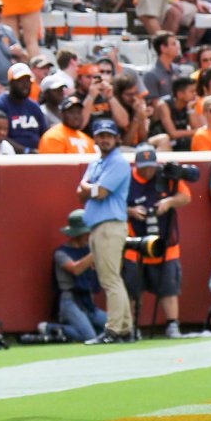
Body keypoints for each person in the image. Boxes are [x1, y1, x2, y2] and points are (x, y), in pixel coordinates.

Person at [123, 145, 190, 337]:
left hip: (166, 242)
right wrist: (131, 211)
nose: (148, 171)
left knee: (169, 289)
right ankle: (132, 327)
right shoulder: (127, 178)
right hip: (136, 244)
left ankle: (172, 325)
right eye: (143, 167)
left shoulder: (166, 176)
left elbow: (185, 197)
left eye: (151, 167)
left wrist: (168, 202)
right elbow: (116, 203)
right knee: (133, 290)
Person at [78, 117, 134, 341]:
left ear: (116, 138)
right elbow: (80, 191)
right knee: (111, 278)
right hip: (99, 226)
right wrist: (91, 189)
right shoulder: (96, 163)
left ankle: (113, 329)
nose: (105, 139)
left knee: (110, 280)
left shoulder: (118, 162)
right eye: (101, 136)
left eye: (109, 136)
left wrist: (90, 188)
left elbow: (99, 192)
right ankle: (126, 328)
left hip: (110, 225)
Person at [52, 209, 108, 343]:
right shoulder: (61, 253)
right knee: (89, 337)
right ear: (78, 234)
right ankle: (53, 328)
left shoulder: (88, 249)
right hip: (70, 301)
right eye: (87, 233)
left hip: (88, 302)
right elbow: (76, 269)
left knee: (115, 329)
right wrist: (96, 252)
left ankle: (81, 326)